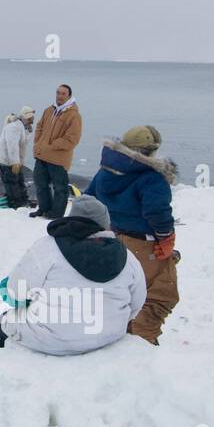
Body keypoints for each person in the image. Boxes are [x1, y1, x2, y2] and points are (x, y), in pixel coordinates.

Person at [0, 196, 146, 355]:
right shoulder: (127, 257)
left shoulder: (47, 247)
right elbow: (137, 301)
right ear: (105, 224)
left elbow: (15, 293)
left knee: (7, 319)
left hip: (52, 338)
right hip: (109, 335)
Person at [84, 126, 179, 345]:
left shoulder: (105, 172)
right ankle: (142, 341)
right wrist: (166, 237)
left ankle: (119, 335)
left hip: (114, 240)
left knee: (123, 290)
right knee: (161, 294)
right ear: (152, 150)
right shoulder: (151, 177)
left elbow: (89, 200)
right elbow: (157, 211)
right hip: (145, 245)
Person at [31, 83, 82, 219]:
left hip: (58, 158)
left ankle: (56, 214)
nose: (59, 96)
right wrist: (38, 142)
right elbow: (39, 126)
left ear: (69, 96)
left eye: (63, 94)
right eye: (58, 93)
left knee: (60, 188)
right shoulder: (49, 110)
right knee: (40, 183)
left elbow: (72, 139)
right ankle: (43, 208)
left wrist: (52, 145)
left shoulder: (74, 115)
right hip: (42, 155)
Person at [0, 106, 36, 209]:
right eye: (31, 118)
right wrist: (14, 162)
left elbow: (22, 145)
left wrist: (20, 162)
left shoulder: (24, 128)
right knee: (11, 182)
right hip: (7, 160)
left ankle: (22, 199)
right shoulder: (14, 127)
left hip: (14, 160)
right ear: (27, 117)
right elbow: (12, 145)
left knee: (19, 180)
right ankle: (15, 202)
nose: (32, 120)